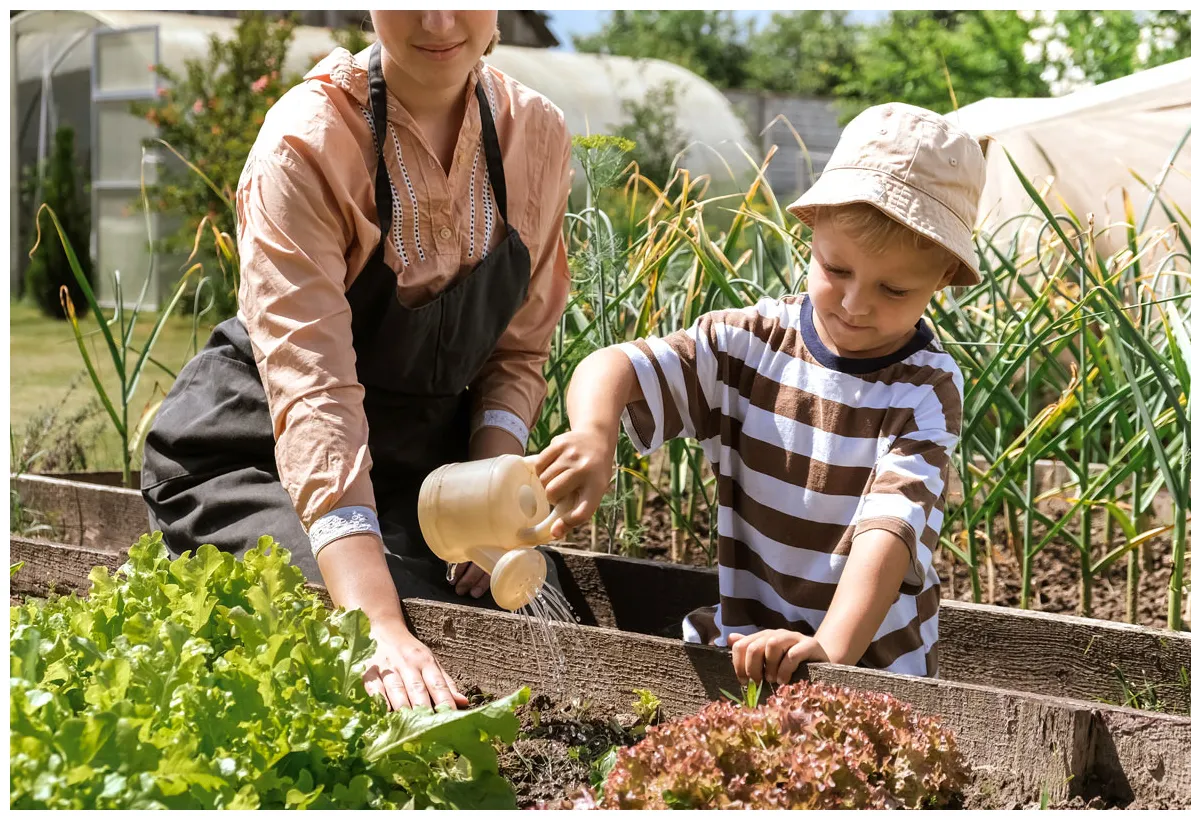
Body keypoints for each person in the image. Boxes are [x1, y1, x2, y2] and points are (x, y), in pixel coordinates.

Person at [142, 11, 572, 712]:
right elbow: (316, 400)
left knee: (506, 602)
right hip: (262, 453)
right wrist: (375, 624)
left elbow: (518, 350)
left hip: (417, 469)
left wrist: (486, 500)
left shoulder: (537, 136)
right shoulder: (307, 144)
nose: (437, 20)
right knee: (387, 634)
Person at [530, 102, 986, 685]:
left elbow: (889, 532)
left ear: (944, 276)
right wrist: (595, 436)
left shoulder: (924, 389)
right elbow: (611, 365)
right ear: (812, 226)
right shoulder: (746, 345)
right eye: (835, 269)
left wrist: (829, 649)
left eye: (894, 289)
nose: (855, 304)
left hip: (871, 669)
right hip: (744, 648)